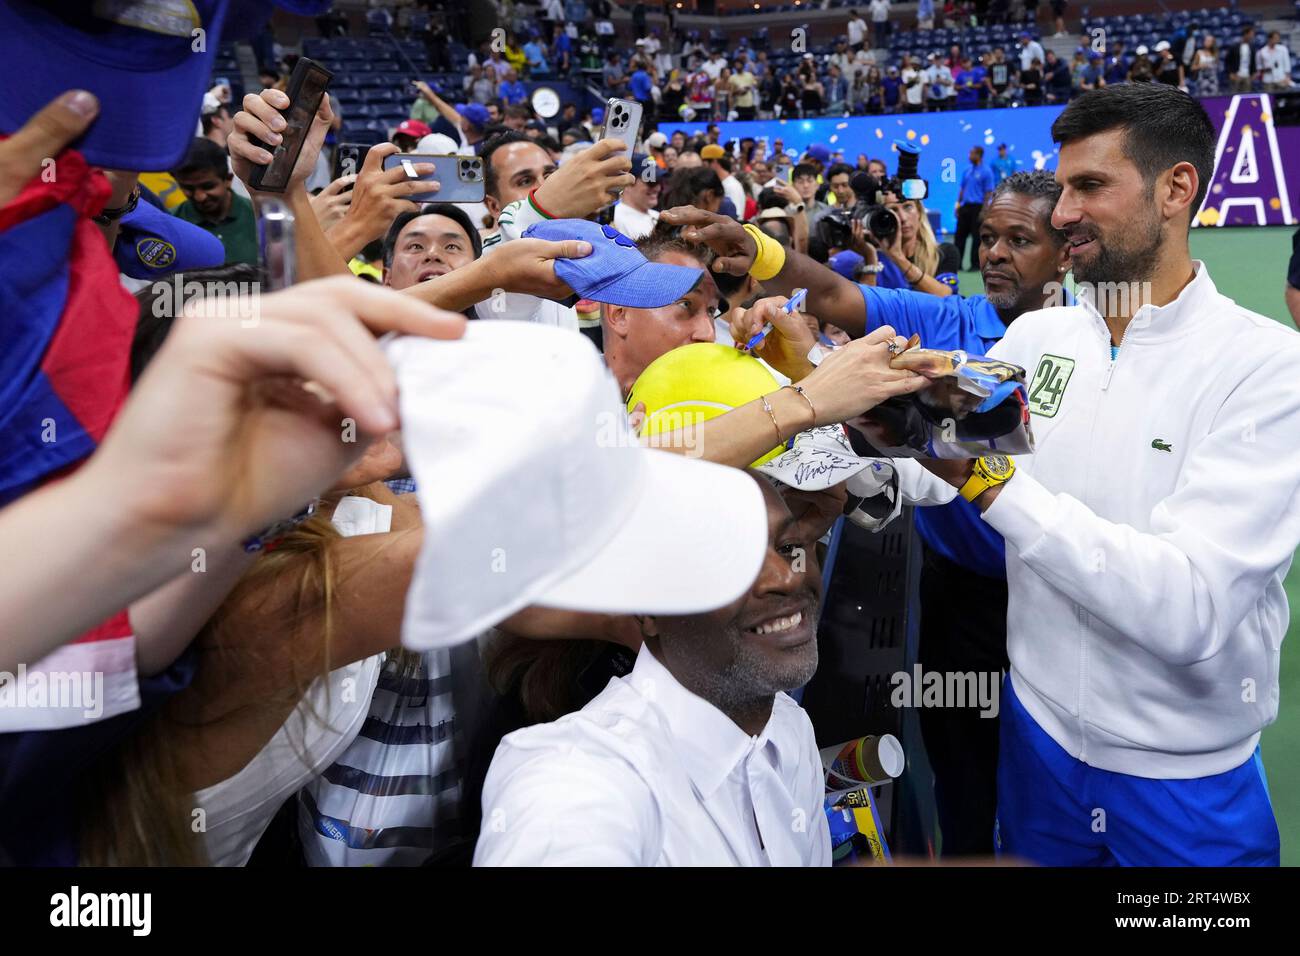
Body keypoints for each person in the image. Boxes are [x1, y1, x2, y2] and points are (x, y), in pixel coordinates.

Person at [916, 82, 1300, 867]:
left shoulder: (1269, 371)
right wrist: (856, 439)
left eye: (1090, 186)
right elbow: (937, 467)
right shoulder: (1039, 335)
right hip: (1038, 740)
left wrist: (989, 482)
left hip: (1184, 785)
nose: (1061, 214)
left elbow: (1189, 608)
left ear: (1176, 190)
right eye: (1063, 189)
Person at [475, 475, 830, 866]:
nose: (786, 576)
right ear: (646, 609)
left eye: (789, 547)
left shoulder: (790, 729)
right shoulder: (573, 776)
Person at [169, 137, 258, 266]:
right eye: (188, 188)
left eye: (207, 186)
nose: (200, 197)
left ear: (228, 180)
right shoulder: (170, 225)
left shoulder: (259, 218)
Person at [954, 145, 996, 272]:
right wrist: (958, 205)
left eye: (972, 153)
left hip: (977, 208)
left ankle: (974, 264)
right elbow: (962, 189)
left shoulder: (986, 171)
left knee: (976, 238)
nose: (969, 156)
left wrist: (985, 210)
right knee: (959, 236)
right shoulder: (967, 170)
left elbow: (988, 192)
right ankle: (957, 263)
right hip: (965, 207)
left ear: (978, 155)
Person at [613, 154, 661, 240]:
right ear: (628, 182)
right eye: (651, 182)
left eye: (659, 181)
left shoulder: (659, 216)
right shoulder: (616, 217)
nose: (657, 188)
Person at [702, 144, 746, 217]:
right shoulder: (724, 183)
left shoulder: (731, 186)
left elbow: (735, 217)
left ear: (714, 162)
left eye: (704, 164)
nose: (703, 168)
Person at [1226, 27, 1257, 94]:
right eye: (1251, 34)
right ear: (1246, 34)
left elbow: (1253, 61)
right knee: (1234, 94)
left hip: (1247, 75)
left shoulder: (1252, 47)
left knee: (1247, 95)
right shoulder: (1234, 46)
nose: (1252, 36)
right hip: (1236, 75)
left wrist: (1254, 72)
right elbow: (1228, 60)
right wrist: (1230, 73)